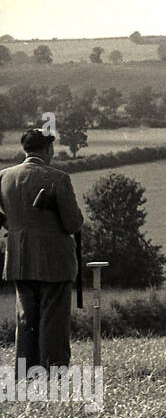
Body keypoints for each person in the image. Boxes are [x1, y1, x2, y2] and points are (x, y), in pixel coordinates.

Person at [1, 129, 85, 371]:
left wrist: (9, 223)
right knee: (53, 320)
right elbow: (73, 223)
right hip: (54, 261)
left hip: (18, 259)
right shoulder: (58, 178)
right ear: (48, 150)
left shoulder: (4, 176)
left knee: (26, 319)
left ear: (25, 149)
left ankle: (24, 374)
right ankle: (53, 373)